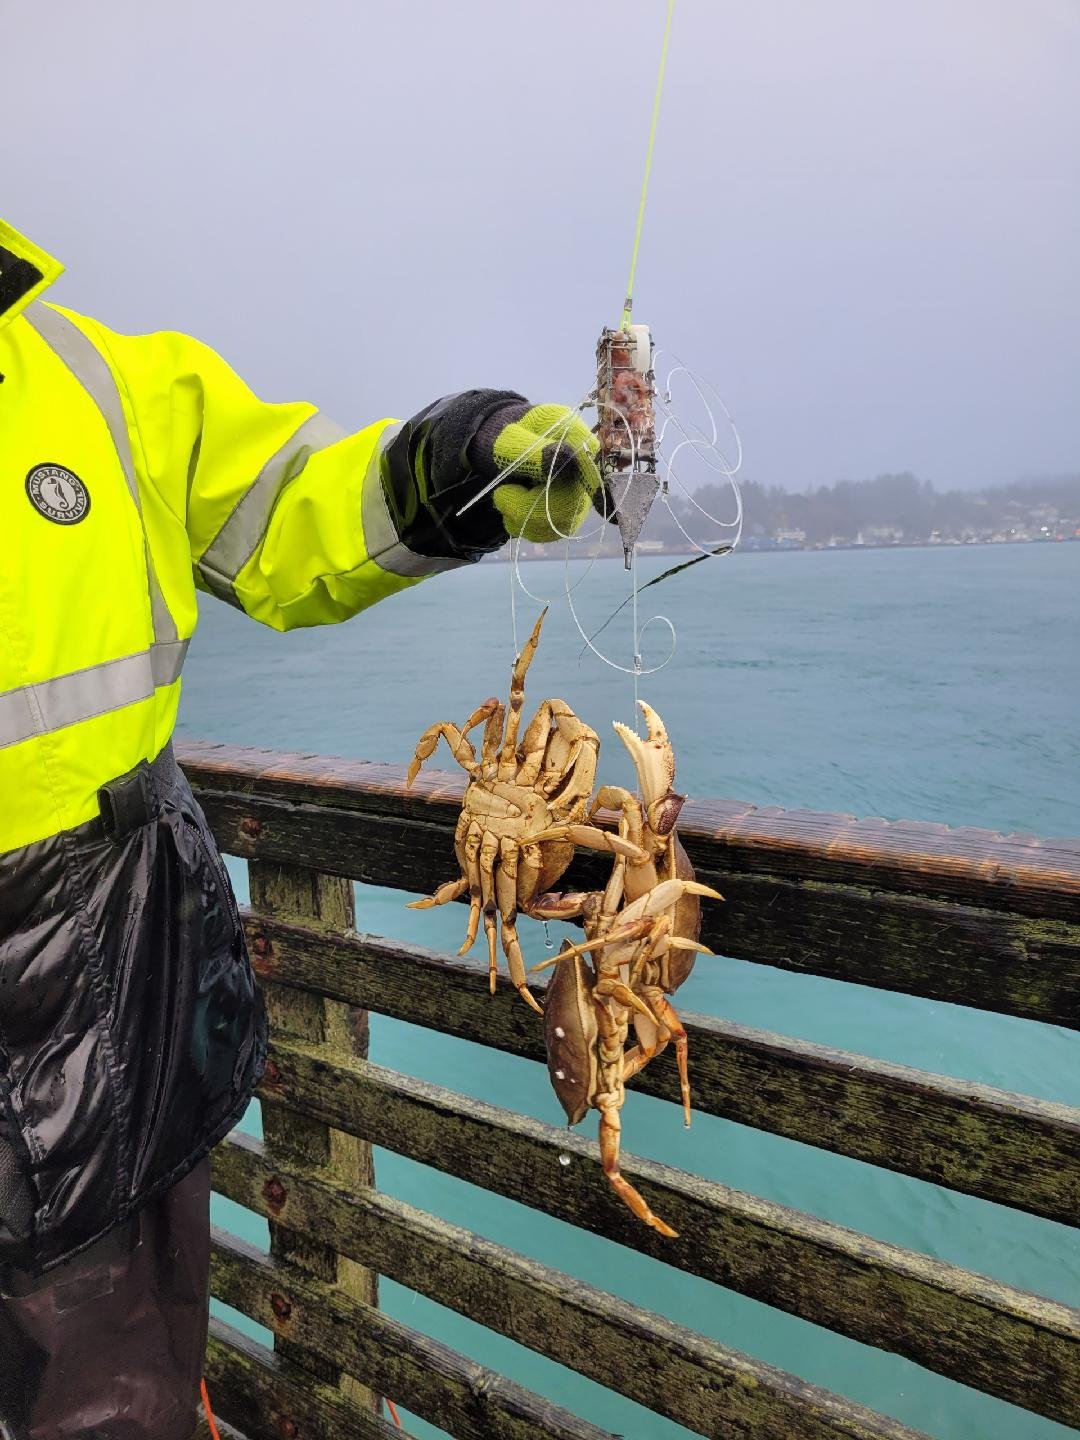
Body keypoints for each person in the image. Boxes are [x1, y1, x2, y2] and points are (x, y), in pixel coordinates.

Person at [0, 219, 604, 1440]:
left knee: (107, 1396)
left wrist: (464, 462)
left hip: (103, 993)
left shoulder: (96, 380)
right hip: (100, 973)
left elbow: (289, 516)